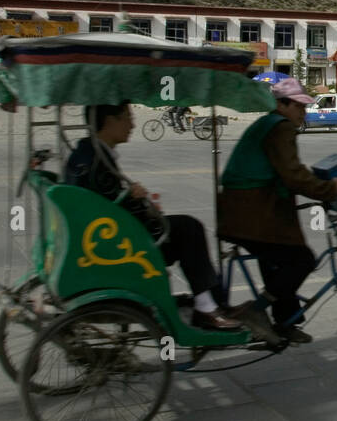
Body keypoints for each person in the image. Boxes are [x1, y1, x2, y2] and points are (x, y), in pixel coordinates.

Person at [64, 103, 241, 331]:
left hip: (102, 235)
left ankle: (213, 302)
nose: (133, 124)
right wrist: (135, 199)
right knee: (189, 228)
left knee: (184, 226)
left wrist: (131, 196)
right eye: (127, 117)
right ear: (109, 121)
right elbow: (109, 207)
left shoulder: (88, 152)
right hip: (117, 244)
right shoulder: (96, 161)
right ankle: (207, 307)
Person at [218, 78, 337, 345]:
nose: (303, 112)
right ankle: (254, 312)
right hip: (251, 213)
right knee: (301, 260)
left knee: (278, 258)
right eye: (298, 106)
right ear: (281, 104)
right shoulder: (281, 127)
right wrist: (329, 189)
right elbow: (293, 175)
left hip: (239, 211)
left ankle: (284, 323)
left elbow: (284, 171)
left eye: (304, 107)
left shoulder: (265, 124)